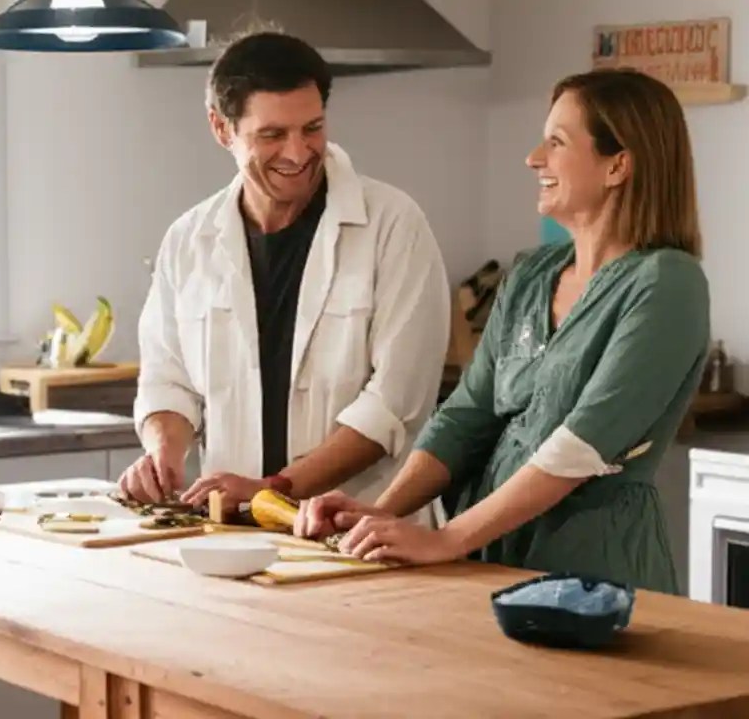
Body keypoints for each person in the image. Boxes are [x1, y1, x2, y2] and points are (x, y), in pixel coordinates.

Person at [295, 67, 709, 595]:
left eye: (556, 142)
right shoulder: (532, 273)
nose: (534, 158)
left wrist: (446, 541)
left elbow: (581, 446)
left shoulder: (667, 283)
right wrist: (377, 516)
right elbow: (468, 415)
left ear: (618, 165)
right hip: (486, 558)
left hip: (590, 569)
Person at [118, 31, 451, 522]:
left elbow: (394, 405)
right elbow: (168, 380)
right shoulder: (188, 240)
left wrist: (271, 490)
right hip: (228, 534)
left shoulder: (393, 225)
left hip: (359, 530)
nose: (298, 153)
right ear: (221, 128)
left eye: (312, 128)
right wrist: (163, 455)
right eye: (272, 135)